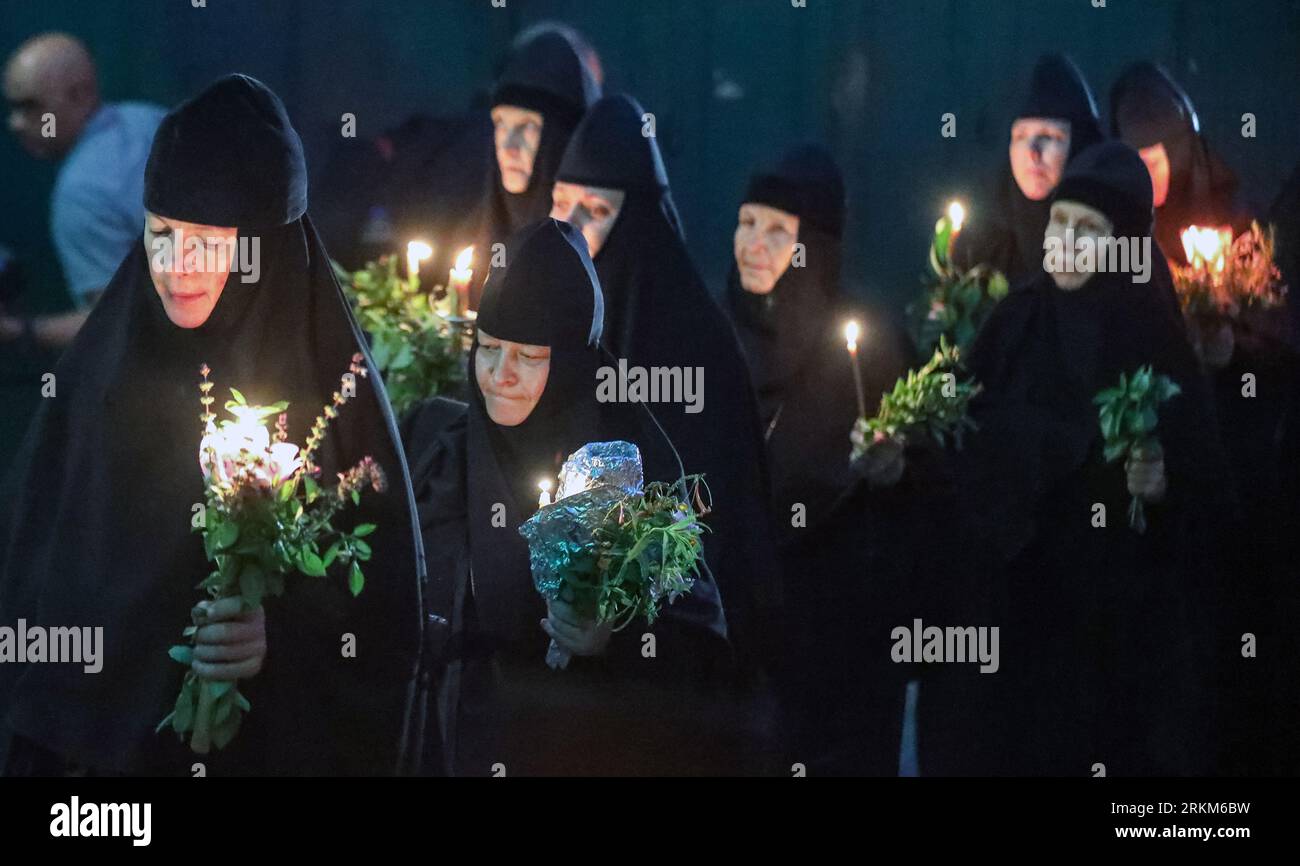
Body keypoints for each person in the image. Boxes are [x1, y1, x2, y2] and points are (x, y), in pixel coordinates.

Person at [0, 75, 424, 777]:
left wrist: (274, 639)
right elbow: (31, 569)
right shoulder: (102, 371)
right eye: (161, 233)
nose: (174, 268)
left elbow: (382, 622)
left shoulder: (329, 400)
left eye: (206, 240)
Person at [927, 141, 1234, 775]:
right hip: (1014, 637)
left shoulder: (1155, 342)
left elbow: (1211, 506)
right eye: (1060, 222)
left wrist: (1161, 487)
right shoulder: (1016, 320)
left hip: (1115, 654)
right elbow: (959, 441)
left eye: (1087, 229)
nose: (1064, 239)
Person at [401, 218, 736, 776]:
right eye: (488, 348)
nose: (500, 375)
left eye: (529, 357)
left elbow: (702, 649)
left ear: (574, 365)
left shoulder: (635, 473)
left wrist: (617, 639)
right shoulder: (437, 452)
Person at [550, 94, 782, 709]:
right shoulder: (550, 318)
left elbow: (711, 521)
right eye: (560, 204)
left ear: (639, 224)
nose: (571, 228)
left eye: (595, 211)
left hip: (667, 681)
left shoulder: (690, 341)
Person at [725, 143, 910, 538]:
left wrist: (889, 463)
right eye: (748, 221)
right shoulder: (712, 326)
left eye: (778, 229)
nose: (753, 243)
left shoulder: (865, 347)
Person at [1, 33, 165, 349]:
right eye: (12, 108)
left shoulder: (81, 193)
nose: (15, 123)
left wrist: (17, 330)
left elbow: (118, 326)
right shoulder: (147, 118)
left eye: (30, 107)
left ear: (81, 94)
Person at [464, 31, 599, 310]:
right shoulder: (470, 233)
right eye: (501, 124)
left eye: (528, 127)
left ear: (562, 139)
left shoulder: (593, 246)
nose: (509, 147)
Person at [952, 54, 1105, 287]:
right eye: (1021, 136)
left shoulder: (1113, 245)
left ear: (1079, 146)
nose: (1033, 152)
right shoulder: (978, 244)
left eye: (1050, 137)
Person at [1110, 61, 1252, 268]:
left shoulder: (1230, 217)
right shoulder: (1112, 219)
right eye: (1135, 163)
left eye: (1152, 163)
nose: (1144, 176)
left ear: (1178, 158)